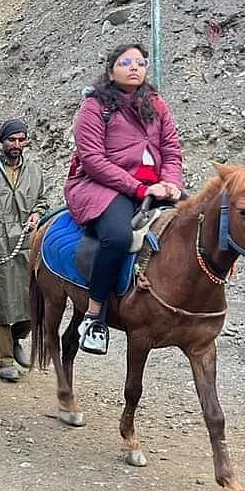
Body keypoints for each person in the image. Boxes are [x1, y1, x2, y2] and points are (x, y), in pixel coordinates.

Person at [65, 43, 183, 355]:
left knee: (202, 222)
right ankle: (94, 316)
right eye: (125, 62)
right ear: (110, 70)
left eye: (140, 62)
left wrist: (171, 182)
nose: (134, 67)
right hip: (102, 186)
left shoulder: (157, 105)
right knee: (117, 237)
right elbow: (92, 160)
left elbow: (172, 150)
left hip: (155, 186)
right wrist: (141, 190)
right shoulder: (94, 107)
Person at [0, 119, 47, 382]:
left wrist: (37, 213)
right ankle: (4, 360)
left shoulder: (34, 171)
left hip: (26, 245)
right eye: (11, 140)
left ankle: (17, 339)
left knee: (32, 302)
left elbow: (43, 201)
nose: (16, 145)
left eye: (21, 140)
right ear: (1, 141)